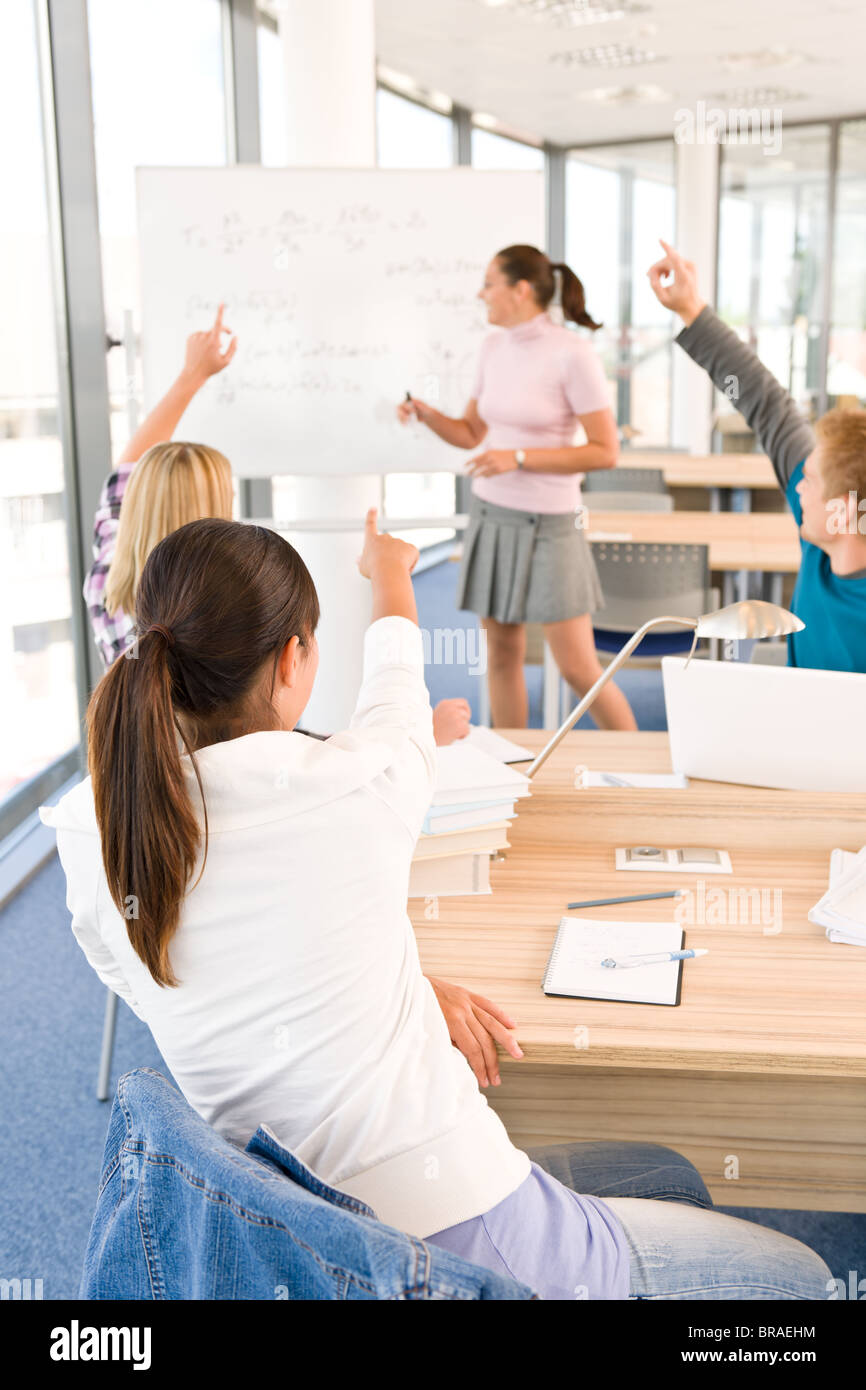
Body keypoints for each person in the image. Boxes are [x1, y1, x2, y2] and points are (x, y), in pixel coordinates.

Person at [44, 511, 831, 1299]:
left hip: (283, 1250)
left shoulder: (92, 833)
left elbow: (170, 984)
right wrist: (389, 572)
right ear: (293, 660)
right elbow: (396, 699)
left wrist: (397, 987)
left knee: (664, 1178)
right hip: (449, 1247)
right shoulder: (351, 784)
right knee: (804, 1282)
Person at [85, 306, 473, 745]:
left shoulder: (107, 577)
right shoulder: (224, 615)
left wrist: (192, 376)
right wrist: (421, 739)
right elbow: (278, 751)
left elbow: (126, 472)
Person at [398, 244, 636, 732]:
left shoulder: (573, 354)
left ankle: (640, 768)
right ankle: (511, 769)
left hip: (552, 525)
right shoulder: (492, 347)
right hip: (492, 516)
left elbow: (604, 451)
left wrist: (520, 458)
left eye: (490, 283)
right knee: (502, 657)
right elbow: (469, 432)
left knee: (577, 667)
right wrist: (424, 413)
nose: (482, 294)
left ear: (521, 290)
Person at [647, 239, 866, 673]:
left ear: (842, 513)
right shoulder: (818, 544)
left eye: (812, 481)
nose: (798, 482)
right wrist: (692, 310)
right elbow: (767, 405)